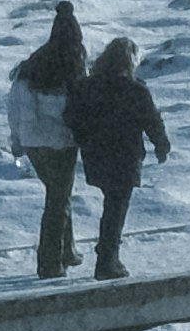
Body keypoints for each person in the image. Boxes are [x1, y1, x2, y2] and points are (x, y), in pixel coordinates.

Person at [70, 32, 170, 278]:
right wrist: (161, 145)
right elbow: (152, 120)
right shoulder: (135, 89)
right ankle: (107, 260)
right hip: (125, 155)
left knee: (111, 203)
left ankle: (106, 253)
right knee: (116, 206)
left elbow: (71, 117)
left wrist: (83, 138)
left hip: (95, 154)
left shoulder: (86, 87)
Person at [9, 0, 92, 278]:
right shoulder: (74, 66)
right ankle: (49, 262)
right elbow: (79, 109)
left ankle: (66, 251)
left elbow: (15, 105)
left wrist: (17, 141)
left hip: (33, 143)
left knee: (58, 195)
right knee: (58, 201)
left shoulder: (32, 65)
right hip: (61, 144)